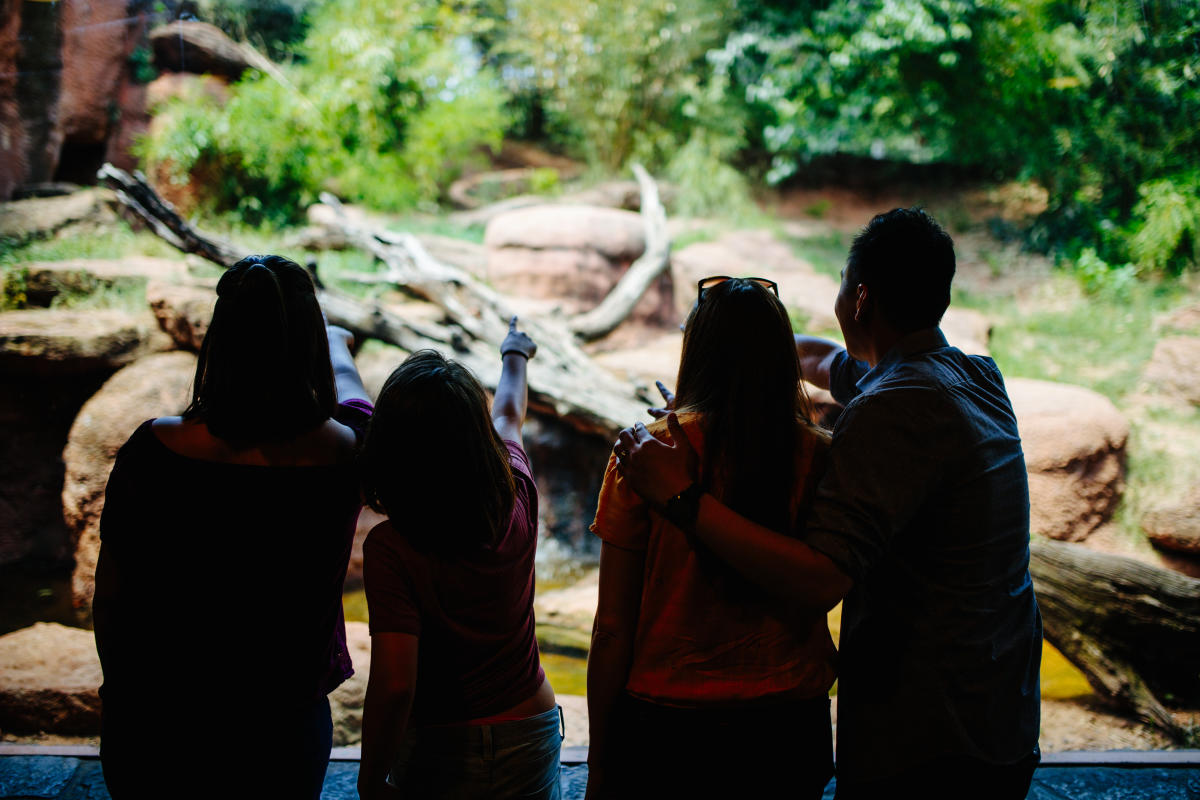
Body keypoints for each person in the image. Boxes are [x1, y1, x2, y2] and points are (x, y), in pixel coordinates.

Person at [614, 209, 1042, 800]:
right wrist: (741, 351)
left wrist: (681, 497)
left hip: (932, 732)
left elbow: (820, 580)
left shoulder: (890, 409)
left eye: (842, 283)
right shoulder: (973, 375)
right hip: (1000, 703)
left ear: (860, 297)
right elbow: (819, 362)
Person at [92, 254, 372, 799]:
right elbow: (354, 398)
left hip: (161, 716)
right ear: (309, 344)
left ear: (219, 344)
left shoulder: (153, 450)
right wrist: (338, 344)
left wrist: (117, 697)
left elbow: (112, 595)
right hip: (284, 723)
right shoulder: (347, 452)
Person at [587, 277, 837, 800]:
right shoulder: (821, 457)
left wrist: (601, 761)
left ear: (696, 349)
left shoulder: (643, 456)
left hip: (666, 725)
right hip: (787, 724)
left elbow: (612, 627)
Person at [357, 318, 561, 800]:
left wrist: (369, 779)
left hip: (440, 745)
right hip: (531, 726)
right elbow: (509, 414)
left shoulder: (392, 548)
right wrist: (515, 353)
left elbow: (394, 684)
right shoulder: (518, 490)